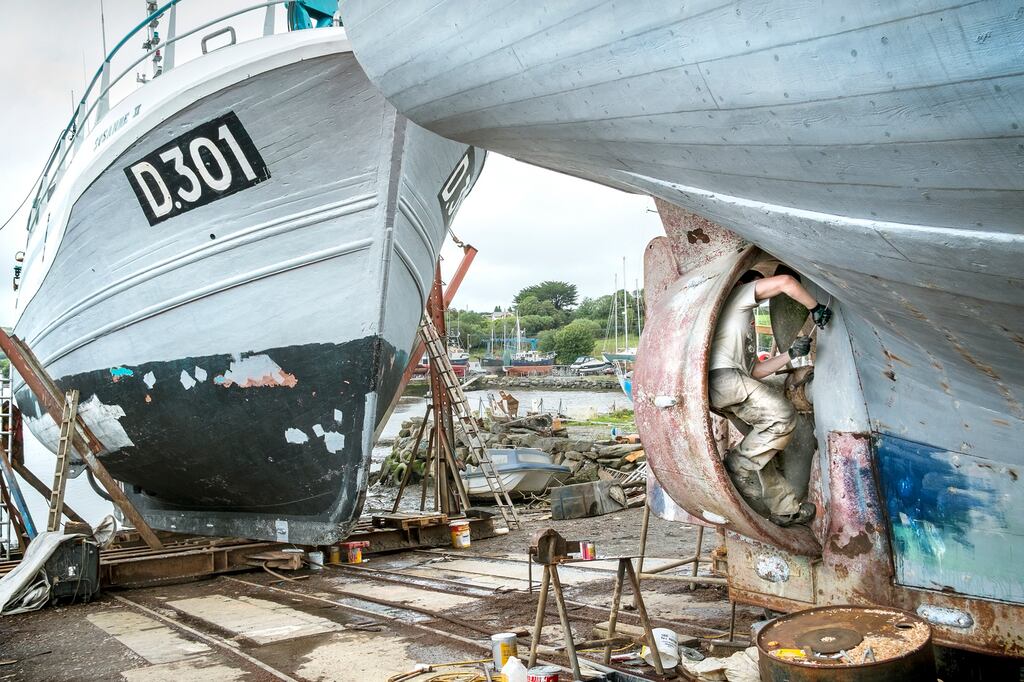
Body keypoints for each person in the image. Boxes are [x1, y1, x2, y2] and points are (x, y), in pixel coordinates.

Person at [709, 271, 832, 526]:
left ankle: (784, 509)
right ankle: (737, 463)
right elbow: (785, 282)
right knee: (783, 416)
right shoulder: (738, 294)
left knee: (765, 447)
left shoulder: (740, 323)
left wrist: (790, 354)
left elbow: (755, 371)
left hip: (727, 387)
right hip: (725, 379)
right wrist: (815, 307)